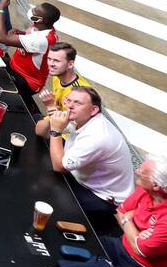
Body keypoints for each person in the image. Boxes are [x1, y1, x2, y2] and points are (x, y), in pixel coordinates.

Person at [43, 86, 134, 215]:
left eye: (78, 103)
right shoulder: (81, 118)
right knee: (45, 144)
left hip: (101, 197)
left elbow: (59, 167)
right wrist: (52, 115)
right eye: (68, 101)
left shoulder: (97, 136)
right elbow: (40, 131)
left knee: (49, 195)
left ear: (93, 110)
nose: (70, 106)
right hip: (82, 177)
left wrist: (56, 130)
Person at [0, 0, 61, 109]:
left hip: (25, 80)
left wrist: (0, 8)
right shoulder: (39, 26)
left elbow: (1, 38)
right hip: (13, 66)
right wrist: (21, 34)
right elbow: (30, 38)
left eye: (35, 11)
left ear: (39, 19)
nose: (32, 10)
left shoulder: (43, 39)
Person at [35, 42, 94, 124]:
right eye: (49, 59)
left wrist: (51, 105)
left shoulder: (80, 92)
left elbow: (74, 124)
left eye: (56, 61)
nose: (50, 64)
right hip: (56, 118)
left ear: (70, 64)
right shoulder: (57, 76)